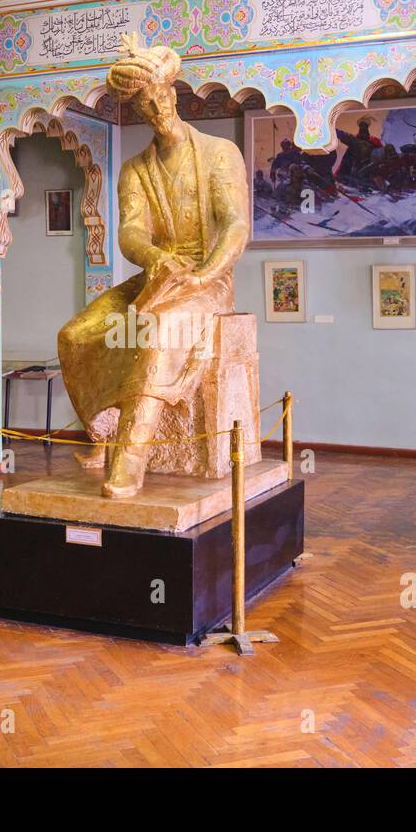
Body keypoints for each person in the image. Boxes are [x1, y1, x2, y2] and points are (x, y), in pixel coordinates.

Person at [57, 34, 251, 498]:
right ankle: (102, 432)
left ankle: (131, 457)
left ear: (173, 92)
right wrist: (156, 259)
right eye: (143, 104)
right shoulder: (135, 169)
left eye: (159, 96)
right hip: (156, 274)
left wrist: (203, 275)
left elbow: (236, 226)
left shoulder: (219, 153)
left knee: (159, 327)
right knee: (76, 333)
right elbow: (131, 233)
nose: (155, 107)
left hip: (208, 282)